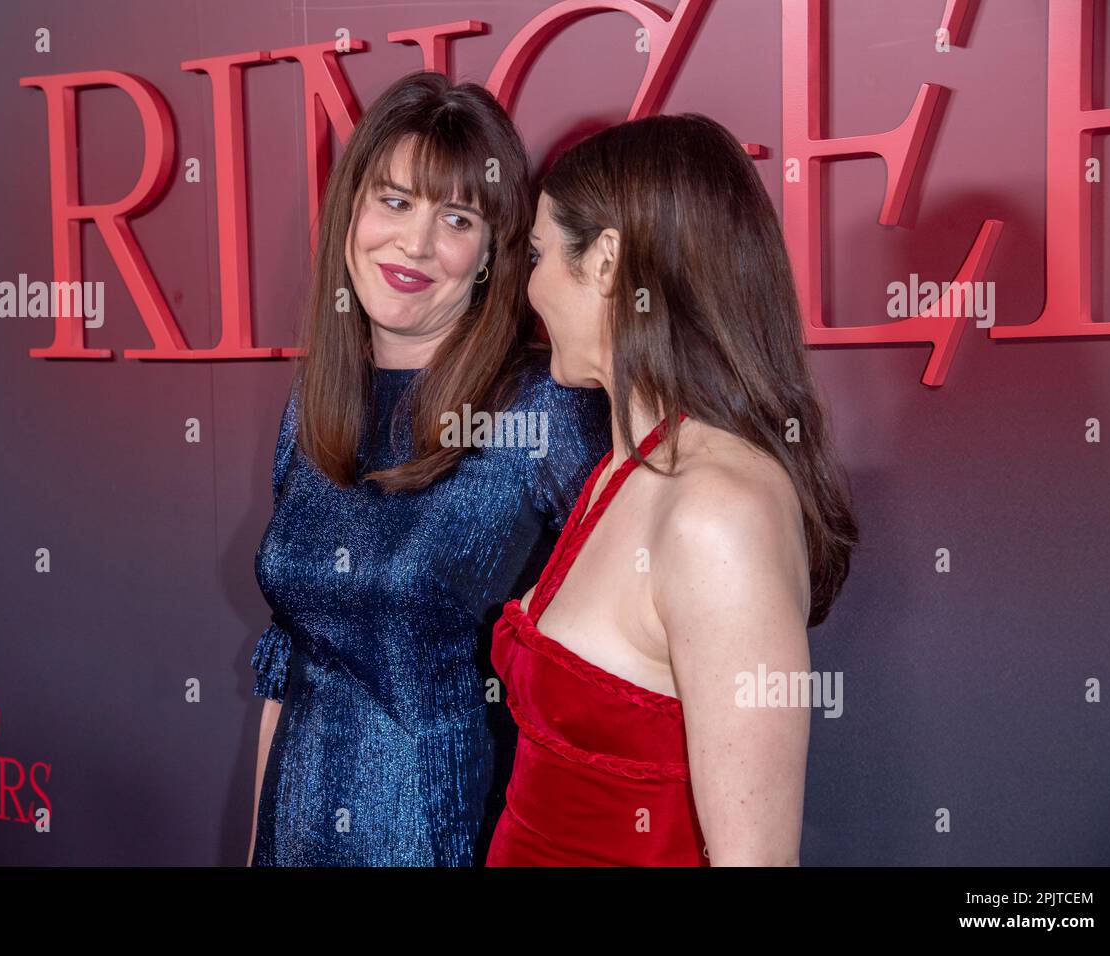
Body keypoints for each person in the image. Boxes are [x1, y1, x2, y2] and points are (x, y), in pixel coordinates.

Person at [245, 71, 610, 866]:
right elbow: (290, 666)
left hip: (451, 841)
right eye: (395, 201)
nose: (414, 244)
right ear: (351, 210)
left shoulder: (541, 408)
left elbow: (611, 682)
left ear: (492, 251)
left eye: (457, 217)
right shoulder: (317, 395)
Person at [485, 113, 859, 866]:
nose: (528, 288)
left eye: (538, 254)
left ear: (607, 263)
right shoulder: (625, 465)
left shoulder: (719, 514)